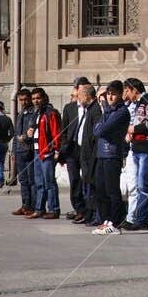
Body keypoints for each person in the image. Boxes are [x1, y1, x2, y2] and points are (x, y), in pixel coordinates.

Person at [123, 78, 148, 231]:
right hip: (138, 148)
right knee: (141, 186)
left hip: (147, 148)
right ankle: (141, 219)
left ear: (134, 90)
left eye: (127, 90)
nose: (126, 94)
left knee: (144, 184)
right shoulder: (139, 103)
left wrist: (134, 129)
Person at [93, 81, 130, 235]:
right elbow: (96, 129)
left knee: (112, 190)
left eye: (113, 94)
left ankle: (115, 222)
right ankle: (106, 220)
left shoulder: (121, 112)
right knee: (100, 190)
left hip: (112, 154)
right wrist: (101, 125)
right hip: (102, 154)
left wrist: (101, 127)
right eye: (108, 94)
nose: (110, 97)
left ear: (120, 94)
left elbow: (101, 130)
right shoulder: (108, 111)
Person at [28, 87, 61, 219]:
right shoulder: (36, 113)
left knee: (49, 182)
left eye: (38, 98)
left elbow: (56, 133)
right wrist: (29, 133)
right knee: (39, 182)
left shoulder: (50, 113)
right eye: (33, 99)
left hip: (47, 152)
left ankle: (53, 209)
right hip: (37, 151)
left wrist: (56, 150)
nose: (36, 101)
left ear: (44, 98)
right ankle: (39, 209)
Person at [59, 77, 90, 219]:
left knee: (87, 178)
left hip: (86, 148)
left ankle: (88, 207)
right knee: (74, 179)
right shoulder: (69, 108)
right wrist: (64, 147)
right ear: (76, 90)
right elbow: (63, 130)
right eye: (82, 89)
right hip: (72, 148)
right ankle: (79, 208)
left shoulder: (91, 107)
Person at [72, 82, 100, 225]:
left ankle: (95, 214)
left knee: (92, 186)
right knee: (86, 185)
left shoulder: (95, 110)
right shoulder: (89, 110)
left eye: (80, 96)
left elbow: (95, 135)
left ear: (87, 96)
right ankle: (88, 213)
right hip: (84, 153)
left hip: (91, 155)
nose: (78, 99)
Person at [11, 87, 35, 216]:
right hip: (19, 152)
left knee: (31, 181)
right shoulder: (20, 114)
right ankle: (25, 205)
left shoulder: (33, 113)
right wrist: (13, 152)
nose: (23, 102)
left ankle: (32, 206)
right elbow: (16, 135)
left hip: (30, 151)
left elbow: (33, 132)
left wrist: (25, 138)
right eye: (21, 100)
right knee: (23, 181)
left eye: (25, 99)